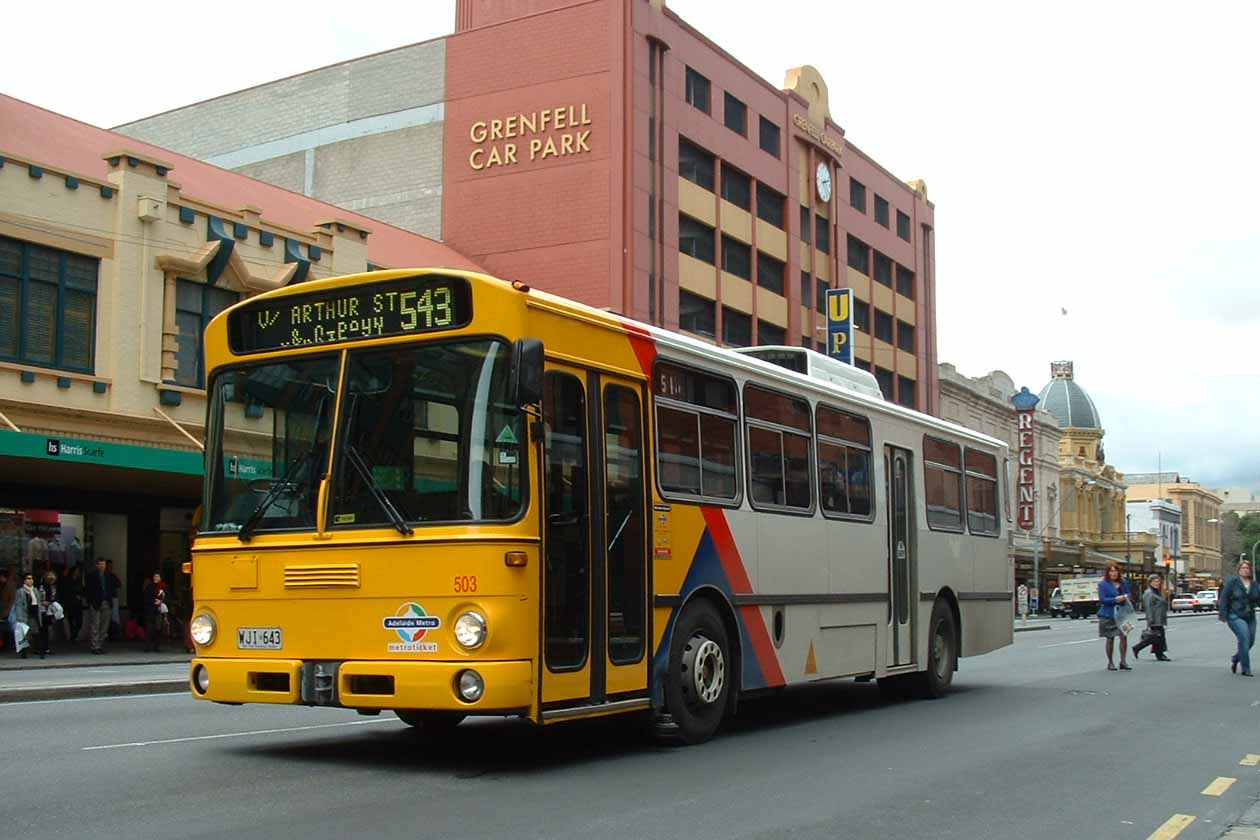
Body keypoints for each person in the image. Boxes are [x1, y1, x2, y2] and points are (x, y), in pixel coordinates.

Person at [1218, 559, 1260, 676]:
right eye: (1243, 568)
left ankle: (1236, 658)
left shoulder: (1255, 585)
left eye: (1247, 568)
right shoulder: (1232, 582)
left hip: (1250, 616)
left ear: (1250, 571)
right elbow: (1224, 598)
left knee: (1250, 642)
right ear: (1239, 570)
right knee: (1244, 638)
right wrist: (1223, 615)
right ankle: (1246, 669)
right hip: (1235, 615)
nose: (1245, 570)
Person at [1098, 562, 1133, 671]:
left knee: (1124, 637)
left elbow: (1129, 594)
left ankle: (1123, 661)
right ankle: (1110, 662)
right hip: (1108, 614)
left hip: (1123, 613)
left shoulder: (1123, 582)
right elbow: (1103, 600)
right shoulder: (1103, 584)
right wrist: (1116, 599)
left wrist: (1126, 596)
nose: (1114, 573)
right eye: (1111, 571)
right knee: (1110, 638)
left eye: (1115, 570)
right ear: (1108, 573)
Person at [1133, 573, 1171, 661]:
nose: (1157, 583)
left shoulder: (1157, 592)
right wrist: (1150, 619)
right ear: (1150, 582)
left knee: (1157, 636)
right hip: (1154, 618)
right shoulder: (1149, 593)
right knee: (1156, 636)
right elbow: (1148, 607)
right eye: (1154, 581)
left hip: (1159, 617)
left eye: (1158, 581)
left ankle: (1158, 653)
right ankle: (1157, 653)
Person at [84, 558, 116, 655]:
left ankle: (100, 644)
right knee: (95, 624)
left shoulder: (109, 575)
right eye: (101, 564)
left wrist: (111, 600)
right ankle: (95, 646)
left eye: (104, 564)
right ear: (97, 565)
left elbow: (115, 586)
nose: (102, 566)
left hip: (107, 602)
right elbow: (88, 590)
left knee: (104, 625)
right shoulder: (91, 576)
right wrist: (91, 601)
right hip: (96, 603)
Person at [12, 572, 41, 658]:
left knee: (35, 632)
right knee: (24, 634)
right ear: (24, 581)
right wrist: (20, 617)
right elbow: (18, 605)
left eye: (31, 578)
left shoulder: (35, 590)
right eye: (28, 578)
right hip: (25, 615)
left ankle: (37, 649)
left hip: (34, 614)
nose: (30, 580)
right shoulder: (20, 592)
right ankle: (23, 652)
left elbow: (38, 602)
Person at [142, 571, 169, 652]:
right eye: (154, 576)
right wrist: (154, 601)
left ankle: (157, 646)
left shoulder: (164, 586)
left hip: (159, 611)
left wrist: (161, 602)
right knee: (149, 628)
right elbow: (146, 598)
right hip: (150, 610)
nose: (156, 578)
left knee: (158, 628)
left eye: (157, 576)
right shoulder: (149, 587)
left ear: (160, 578)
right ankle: (147, 646)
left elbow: (168, 597)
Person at [35, 570, 58, 658]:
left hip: (49, 610)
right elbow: (42, 600)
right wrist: (48, 602)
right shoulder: (43, 588)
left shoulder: (52, 588)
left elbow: (53, 597)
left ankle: (45, 648)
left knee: (46, 631)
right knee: (42, 630)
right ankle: (41, 648)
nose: (52, 582)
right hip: (43, 610)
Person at [61, 565, 83, 644]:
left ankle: (75, 634)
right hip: (70, 603)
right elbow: (66, 591)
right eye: (76, 571)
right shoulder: (68, 580)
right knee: (71, 620)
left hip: (78, 603)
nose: (77, 573)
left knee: (79, 621)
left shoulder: (79, 580)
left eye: (78, 571)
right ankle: (73, 636)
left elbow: (82, 590)